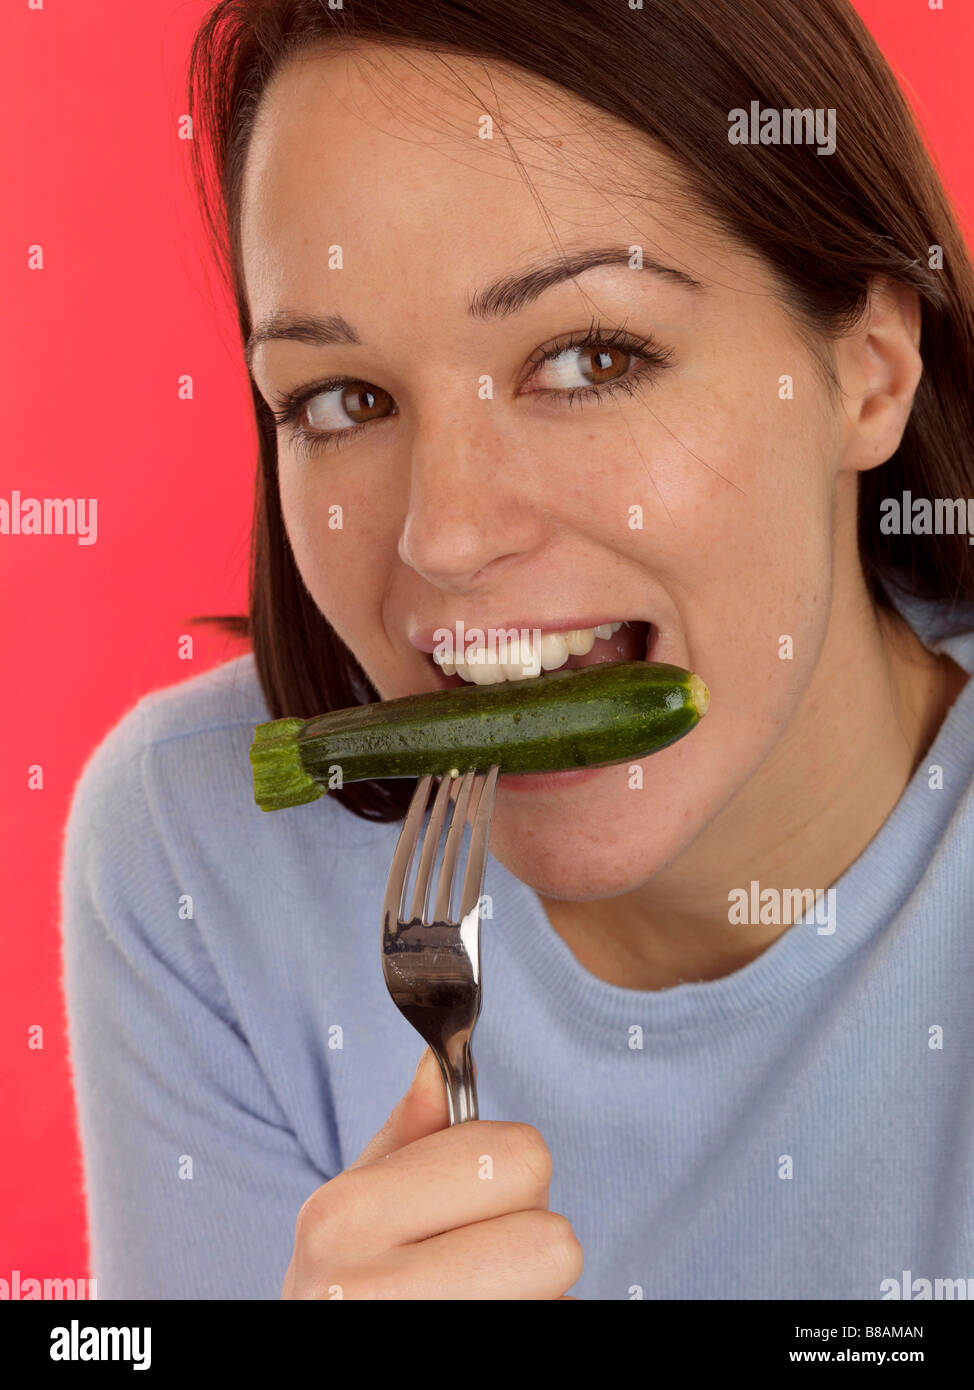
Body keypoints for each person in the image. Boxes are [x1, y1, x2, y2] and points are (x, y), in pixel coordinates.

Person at [61, 0, 974, 1299]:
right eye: (341, 399)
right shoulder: (194, 846)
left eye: (591, 356)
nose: (446, 533)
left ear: (870, 372)